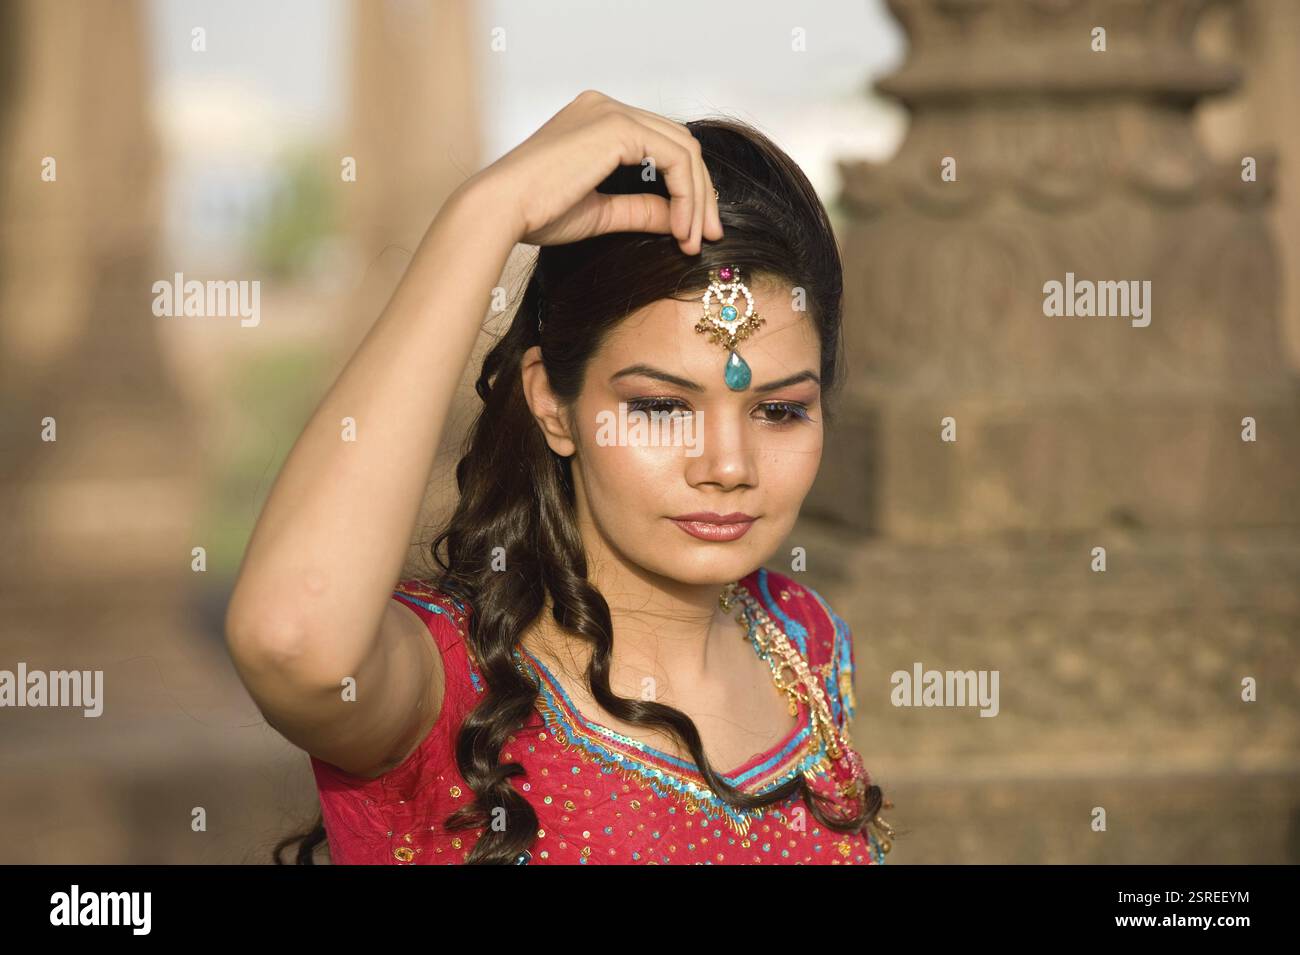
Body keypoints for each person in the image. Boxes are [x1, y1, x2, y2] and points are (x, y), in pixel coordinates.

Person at [224, 89, 894, 865]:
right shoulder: (448, 692)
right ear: (553, 404)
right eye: (660, 407)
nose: (728, 467)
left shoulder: (799, 640)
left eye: (778, 411)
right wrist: (486, 214)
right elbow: (290, 637)